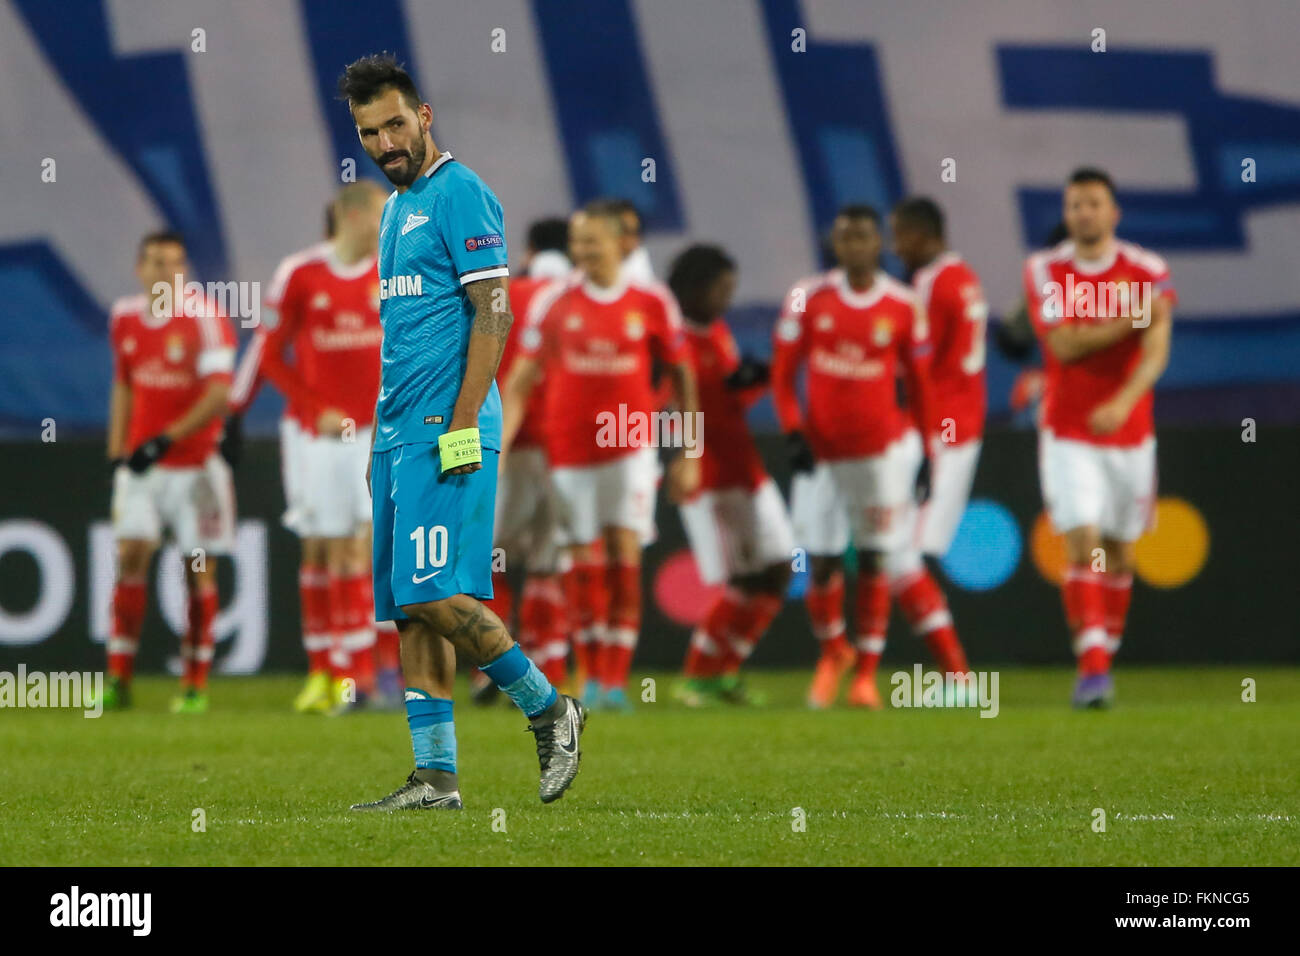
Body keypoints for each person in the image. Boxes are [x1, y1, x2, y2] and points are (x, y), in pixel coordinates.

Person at [338, 54, 585, 811]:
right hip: (396, 434)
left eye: (394, 124)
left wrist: (461, 422)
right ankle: (436, 776)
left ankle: (550, 709)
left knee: (436, 592)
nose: (385, 143)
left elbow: (494, 312)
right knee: (410, 608)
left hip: (448, 428)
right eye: (368, 132)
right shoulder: (395, 209)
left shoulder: (460, 193)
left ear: (425, 116)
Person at [501, 200, 700, 711]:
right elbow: (521, 381)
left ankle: (614, 679)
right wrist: (497, 444)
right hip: (567, 452)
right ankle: (591, 675)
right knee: (580, 563)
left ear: (621, 244)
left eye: (593, 240)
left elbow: (683, 377)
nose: (584, 250)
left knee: (623, 553)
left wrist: (690, 451)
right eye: (578, 241)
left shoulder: (652, 301)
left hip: (630, 445)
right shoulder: (554, 303)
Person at [773, 205, 971, 710]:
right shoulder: (807, 297)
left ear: (879, 242)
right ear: (834, 244)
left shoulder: (903, 305)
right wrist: (793, 430)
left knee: (878, 558)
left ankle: (865, 675)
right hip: (820, 454)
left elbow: (922, 386)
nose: (854, 245)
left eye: (863, 236)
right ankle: (831, 653)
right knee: (819, 561)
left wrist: (928, 452)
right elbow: (783, 374)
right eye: (844, 237)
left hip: (880, 455)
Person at [229, 182, 393, 714]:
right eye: (381, 216)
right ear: (352, 217)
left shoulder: (392, 273)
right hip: (315, 436)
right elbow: (269, 352)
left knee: (361, 549)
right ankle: (325, 669)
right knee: (322, 549)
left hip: (375, 433)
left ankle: (358, 677)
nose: (389, 226)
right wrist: (310, 405)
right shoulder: (299, 274)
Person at [1023, 168, 1175, 708]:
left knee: (1121, 551)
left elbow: (1157, 348)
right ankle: (1091, 669)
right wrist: (1130, 317)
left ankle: (1101, 655)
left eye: (1093, 203)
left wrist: (1125, 399)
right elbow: (1063, 347)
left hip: (1130, 431)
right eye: (1074, 205)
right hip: (1067, 430)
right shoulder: (1045, 269)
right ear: (1066, 215)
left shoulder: (1148, 269)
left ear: (1114, 212)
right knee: (1082, 541)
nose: (1084, 212)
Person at [99, 231, 237, 714]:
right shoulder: (125, 318)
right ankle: (119, 680)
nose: (166, 272)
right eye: (157, 262)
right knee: (131, 557)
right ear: (140, 269)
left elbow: (220, 394)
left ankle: (195, 682)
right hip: (140, 468)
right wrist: (118, 446)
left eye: (175, 263)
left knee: (197, 570)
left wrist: (164, 439)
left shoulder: (205, 318)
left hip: (196, 468)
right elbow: (124, 382)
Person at [668, 244, 793, 706]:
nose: (726, 300)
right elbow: (679, 410)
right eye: (721, 290)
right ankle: (698, 676)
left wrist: (757, 378)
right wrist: (687, 459)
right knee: (743, 579)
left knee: (778, 569)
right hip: (714, 476)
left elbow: (726, 399)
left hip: (747, 469)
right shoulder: (674, 339)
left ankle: (723, 670)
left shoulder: (717, 332)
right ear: (694, 288)